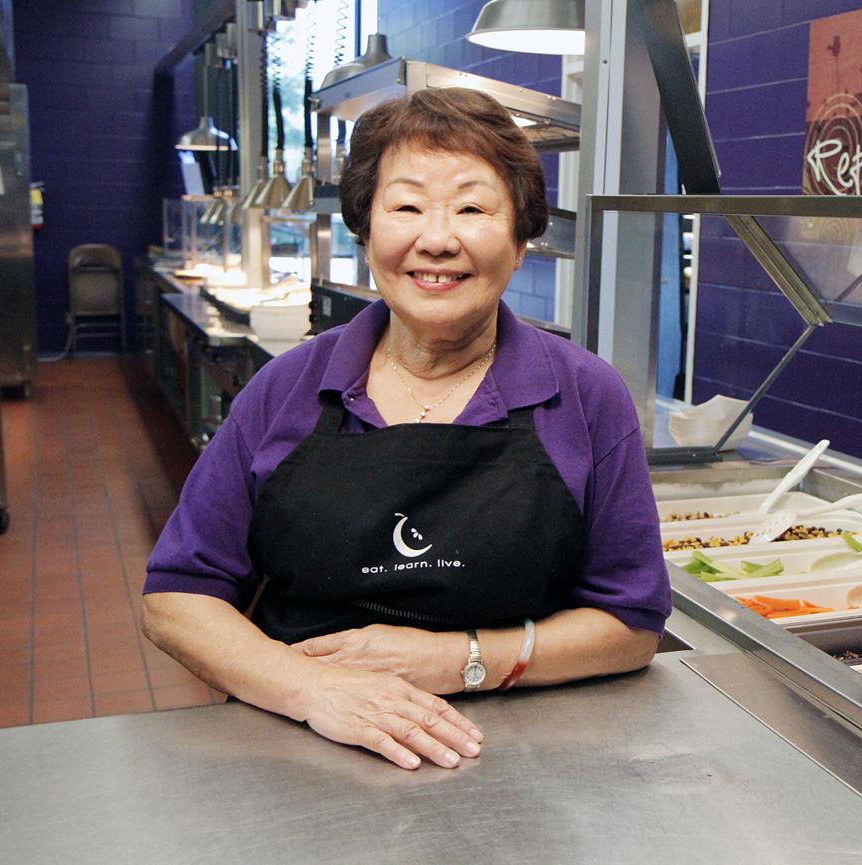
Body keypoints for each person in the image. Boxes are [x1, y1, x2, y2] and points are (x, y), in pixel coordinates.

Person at [142, 88, 671, 770]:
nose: (438, 238)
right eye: (408, 205)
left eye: (474, 208)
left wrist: (460, 659)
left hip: (528, 754)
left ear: (519, 243)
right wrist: (314, 688)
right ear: (366, 232)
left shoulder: (585, 395)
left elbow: (631, 625)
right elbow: (177, 596)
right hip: (301, 751)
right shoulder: (286, 389)